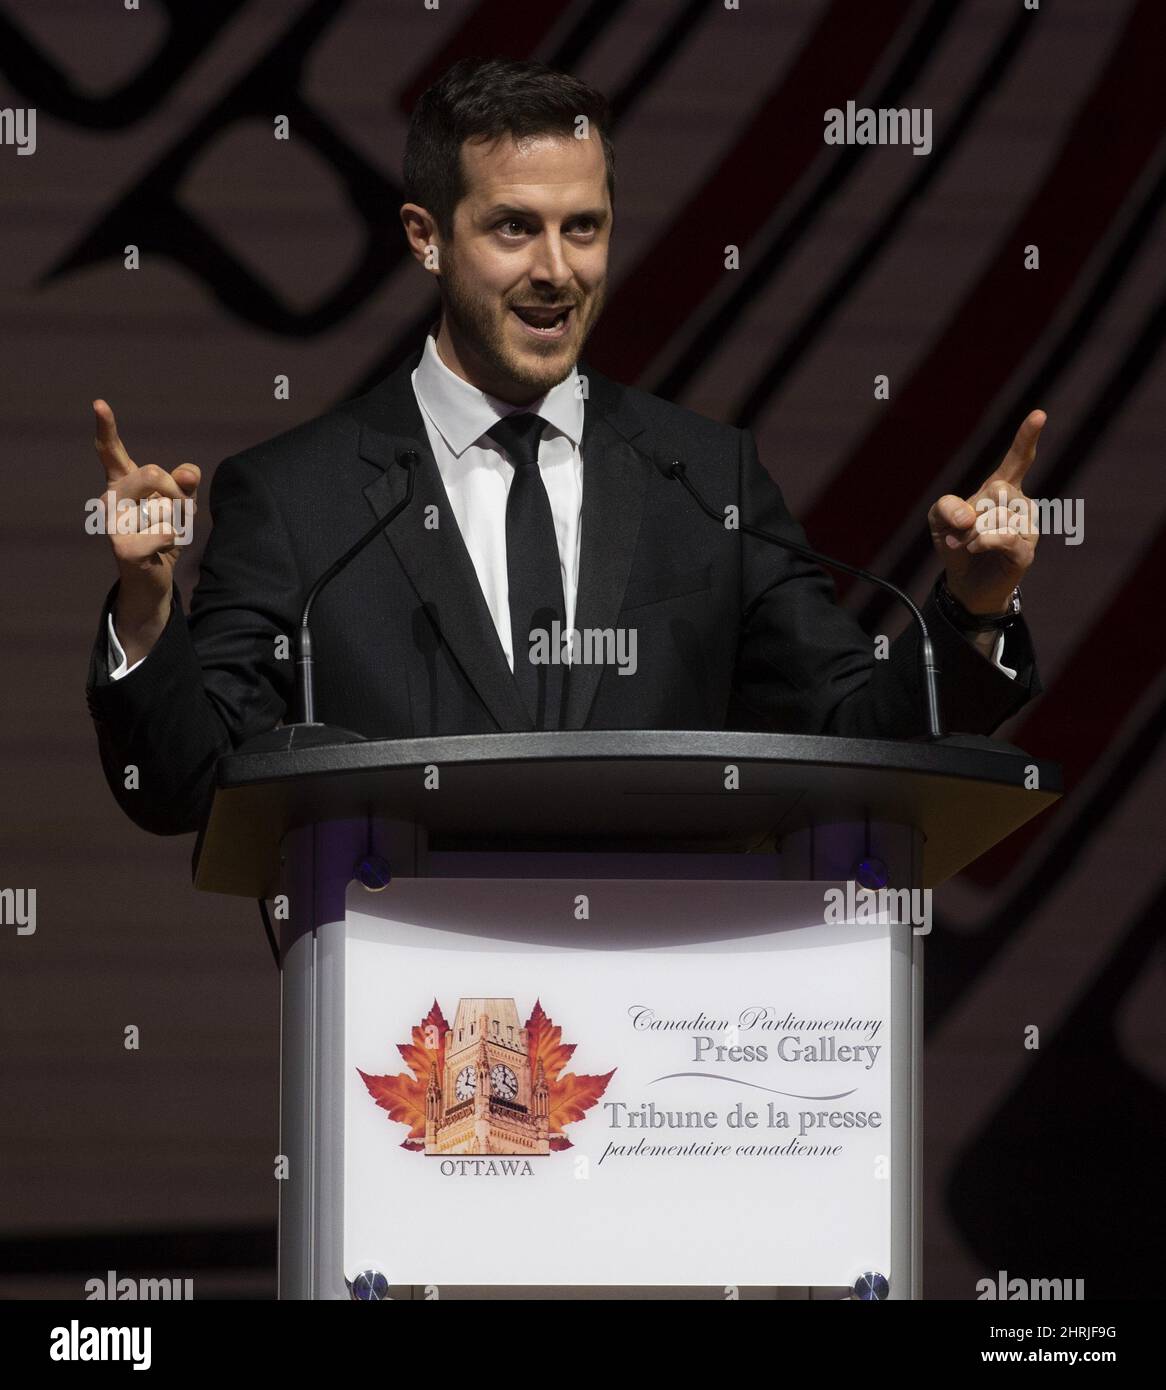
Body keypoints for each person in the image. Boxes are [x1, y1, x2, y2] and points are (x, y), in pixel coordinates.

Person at [86, 57, 1043, 837]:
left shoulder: (706, 478)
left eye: (583, 229)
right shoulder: (300, 497)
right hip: (407, 1040)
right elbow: (182, 788)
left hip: (660, 1028)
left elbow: (858, 738)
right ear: (427, 238)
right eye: (513, 228)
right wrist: (146, 609)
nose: (555, 271)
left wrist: (975, 606)